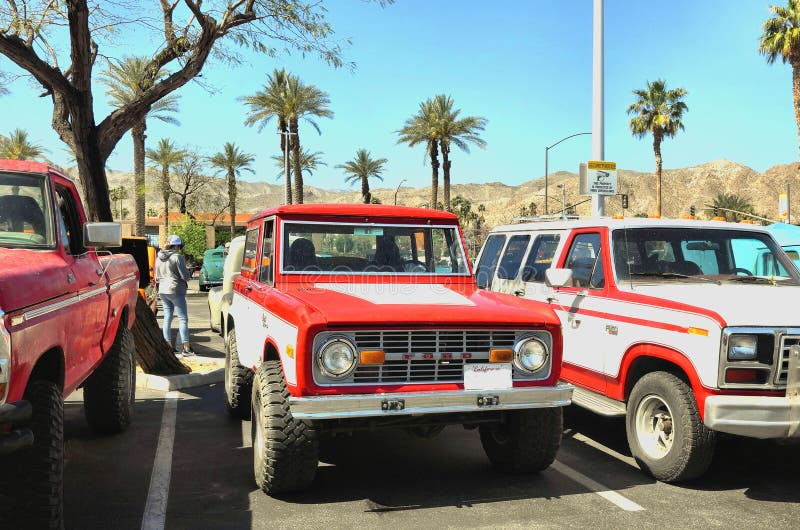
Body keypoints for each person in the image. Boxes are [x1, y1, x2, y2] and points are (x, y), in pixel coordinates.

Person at [155, 234, 195, 356]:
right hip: (175, 290)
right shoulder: (177, 257)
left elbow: (157, 276)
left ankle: (168, 346)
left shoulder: (158, 257)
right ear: (176, 246)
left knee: (168, 317)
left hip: (163, 290)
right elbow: (185, 276)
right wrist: (188, 270)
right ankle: (186, 348)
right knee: (183, 319)